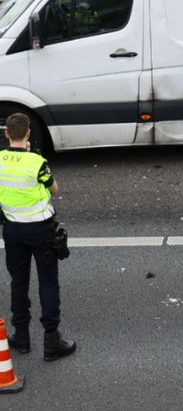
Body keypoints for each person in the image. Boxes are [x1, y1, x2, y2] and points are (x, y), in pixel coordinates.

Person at [0, 112, 76, 361]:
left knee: (18, 282)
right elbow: (54, 189)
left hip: (12, 230)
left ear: (7, 134)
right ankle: (52, 341)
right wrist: (33, 157)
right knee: (48, 283)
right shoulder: (37, 163)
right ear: (28, 133)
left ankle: (21, 336)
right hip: (41, 230)